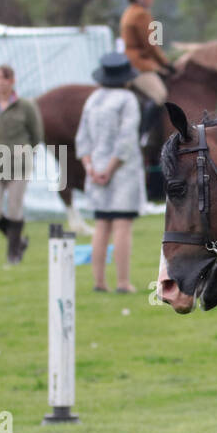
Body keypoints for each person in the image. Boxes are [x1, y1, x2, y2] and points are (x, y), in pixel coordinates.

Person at [76, 53, 145, 293]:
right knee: (122, 225)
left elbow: (82, 140)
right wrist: (110, 170)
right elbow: (127, 140)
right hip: (122, 172)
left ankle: (99, 282)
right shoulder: (128, 99)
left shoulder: (92, 99)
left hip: (95, 168)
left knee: (101, 224)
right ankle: (123, 282)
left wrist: (91, 168)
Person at [0, 64, 43, 265]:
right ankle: (18, 241)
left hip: (18, 165)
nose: (1, 82)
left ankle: (13, 255)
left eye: (5, 78)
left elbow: (36, 135)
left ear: (12, 81)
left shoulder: (25, 106)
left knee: (15, 209)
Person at [119, 0, 175, 139]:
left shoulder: (129, 12)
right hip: (139, 65)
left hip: (131, 61)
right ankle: (143, 134)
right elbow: (151, 45)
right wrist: (166, 64)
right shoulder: (141, 15)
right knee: (160, 96)